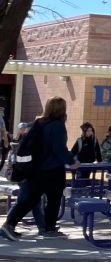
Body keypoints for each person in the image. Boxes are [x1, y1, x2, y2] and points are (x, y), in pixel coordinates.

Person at [0, 97, 80, 240]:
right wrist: (72, 160)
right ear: (62, 109)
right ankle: (48, 229)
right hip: (52, 169)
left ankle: (10, 224)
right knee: (53, 200)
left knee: (30, 199)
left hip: (34, 168)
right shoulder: (57, 126)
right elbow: (59, 149)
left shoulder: (38, 123)